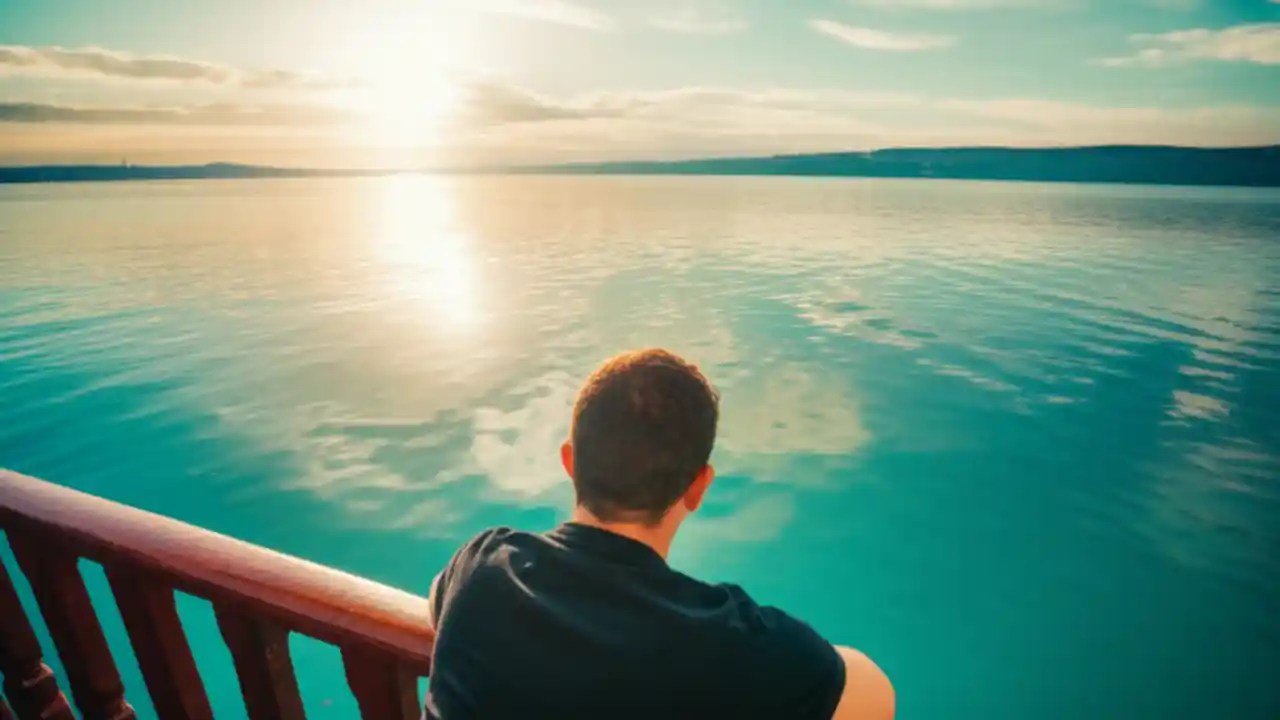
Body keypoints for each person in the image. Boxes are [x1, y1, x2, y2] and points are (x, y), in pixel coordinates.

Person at [423, 348, 894, 719]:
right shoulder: (737, 647)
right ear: (699, 487)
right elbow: (876, 696)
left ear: (570, 462)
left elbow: (436, 603)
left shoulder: (481, 564)